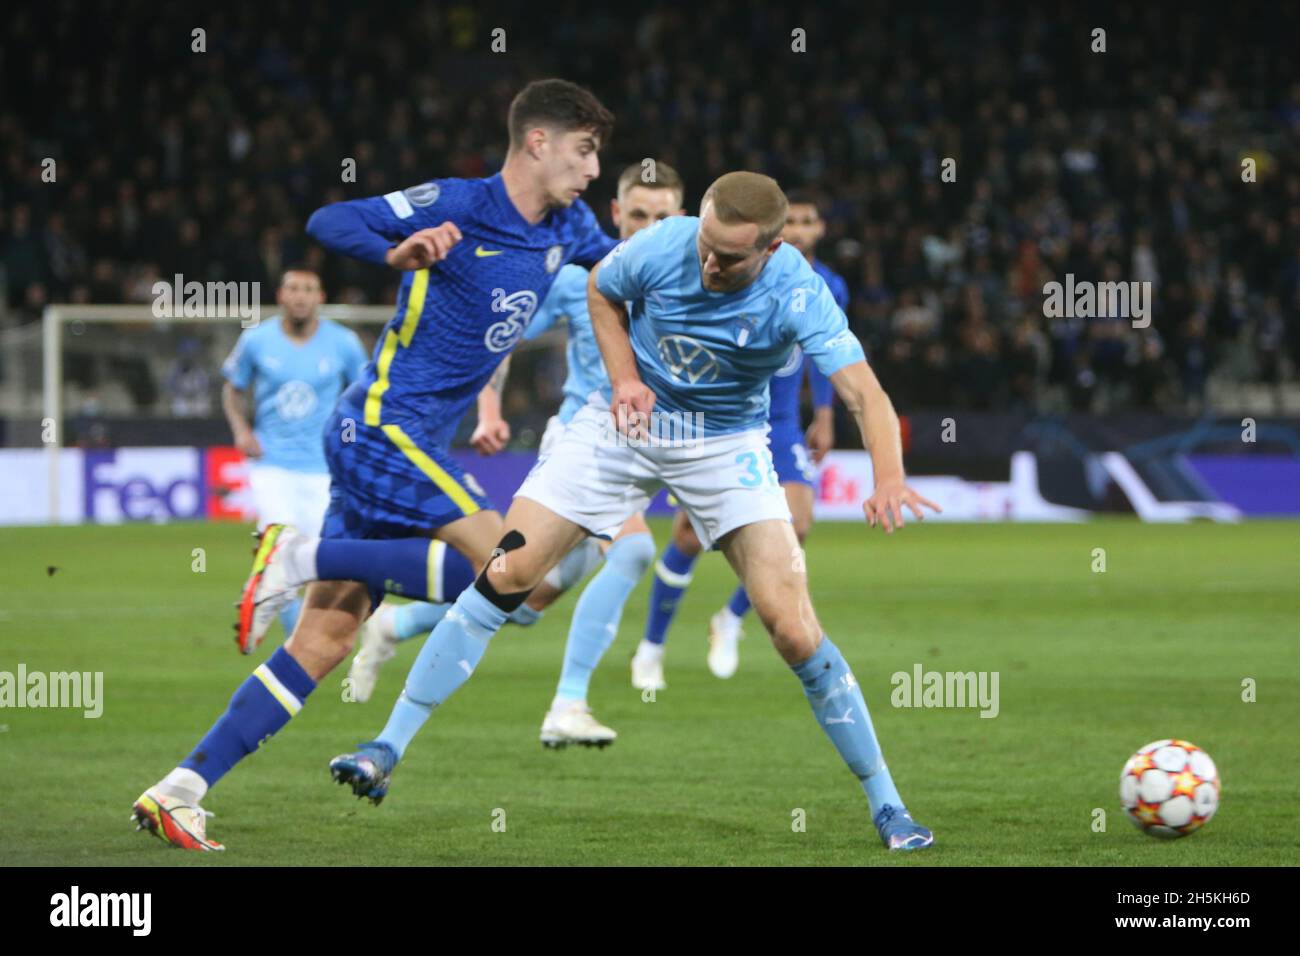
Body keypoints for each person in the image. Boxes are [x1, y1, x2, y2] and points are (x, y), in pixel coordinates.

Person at [327, 171, 941, 852]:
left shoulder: (798, 291)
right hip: (620, 425)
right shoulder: (667, 244)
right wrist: (623, 378)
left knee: (793, 630)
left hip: (723, 443)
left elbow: (864, 392)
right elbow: (602, 290)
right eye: (706, 244)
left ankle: (889, 806)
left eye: (729, 258)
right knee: (510, 567)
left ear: (768, 252)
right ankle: (385, 746)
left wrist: (889, 477)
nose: (708, 262)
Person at [130, 78, 618, 851]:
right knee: (518, 576)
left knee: (323, 639)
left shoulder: (573, 224)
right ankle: (298, 552)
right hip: (385, 428)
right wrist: (397, 248)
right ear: (538, 142)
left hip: (414, 438)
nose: (593, 171)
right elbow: (332, 218)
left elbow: (625, 265)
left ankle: (179, 789)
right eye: (585, 151)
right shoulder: (458, 202)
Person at [631, 190, 846, 686]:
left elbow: (826, 353)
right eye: (792, 220)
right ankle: (651, 645)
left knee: (798, 525)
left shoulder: (829, 285)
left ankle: (729, 619)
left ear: (821, 230)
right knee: (687, 534)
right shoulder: (733, 269)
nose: (800, 229)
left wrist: (827, 414)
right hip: (728, 418)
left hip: (784, 420)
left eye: (810, 220)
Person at [220, 267, 368, 643]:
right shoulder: (257, 340)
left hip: (324, 469)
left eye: (308, 289)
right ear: (281, 295)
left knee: (325, 560)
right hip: (272, 466)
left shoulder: (344, 342)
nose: (300, 296)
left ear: (320, 297)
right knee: (281, 552)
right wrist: (241, 430)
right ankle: (296, 643)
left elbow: (364, 397)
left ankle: (314, 634)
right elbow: (232, 389)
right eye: (293, 289)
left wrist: (350, 443)